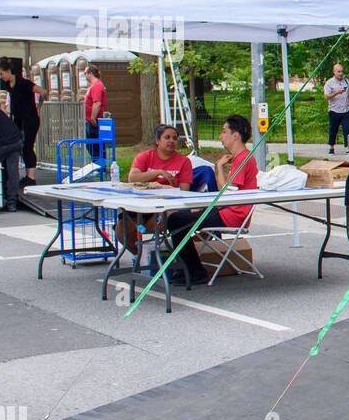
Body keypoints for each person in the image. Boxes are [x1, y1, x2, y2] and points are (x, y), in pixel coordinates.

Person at [165, 115, 257, 286]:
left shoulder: (243, 158)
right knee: (181, 217)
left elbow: (228, 193)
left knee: (176, 221)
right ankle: (187, 267)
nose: (221, 136)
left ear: (235, 135)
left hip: (233, 214)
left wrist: (219, 167)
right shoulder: (241, 157)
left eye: (224, 132)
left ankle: (195, 271)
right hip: (227, 210)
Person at [118, 124, 193, 254]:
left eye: (175, 138)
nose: (171, 141)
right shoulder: (145, 156)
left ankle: (156, 254)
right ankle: (139, 256)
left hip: (165, 205)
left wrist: (171, 187)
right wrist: (158, 172)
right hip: (140, 203)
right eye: (167, 137)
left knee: (168, 217)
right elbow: (132, 178)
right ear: (158, 141)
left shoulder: (184, 161)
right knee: (121, 230)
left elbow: (184, 190)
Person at [0, 57, 46, 187]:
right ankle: (15, 174)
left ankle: (31, 177)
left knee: (27, 146)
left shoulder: (24, 83)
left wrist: (38, 108)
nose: (1, 77)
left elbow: (42, 91)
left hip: (29, 118)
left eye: (2, 74)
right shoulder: (8, 85)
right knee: (16, 144)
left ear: (8, 71)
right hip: (18, 118)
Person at [324, 61, 349, 155]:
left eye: (342, 71)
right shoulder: (329, 83)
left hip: (345, 110)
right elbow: (326, 96)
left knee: (347, 130)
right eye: (339, 72)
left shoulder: (346, 81)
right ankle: (331, 147)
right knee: (333, 129)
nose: (341, 73)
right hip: (334, 111)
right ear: (334, 72)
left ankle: (347, 148)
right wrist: (337, 92)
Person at [82, 64, 108, 160]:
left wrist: (93, 117)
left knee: (95, 145)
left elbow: (97, 103)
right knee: (91, 145)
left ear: (90, 74)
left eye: (85, 73)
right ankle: (97, 165)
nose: (85, 75)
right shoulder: (94, 85)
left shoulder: (97, 85)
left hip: (94, 121)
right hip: (90, 120)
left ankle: (100, 167)